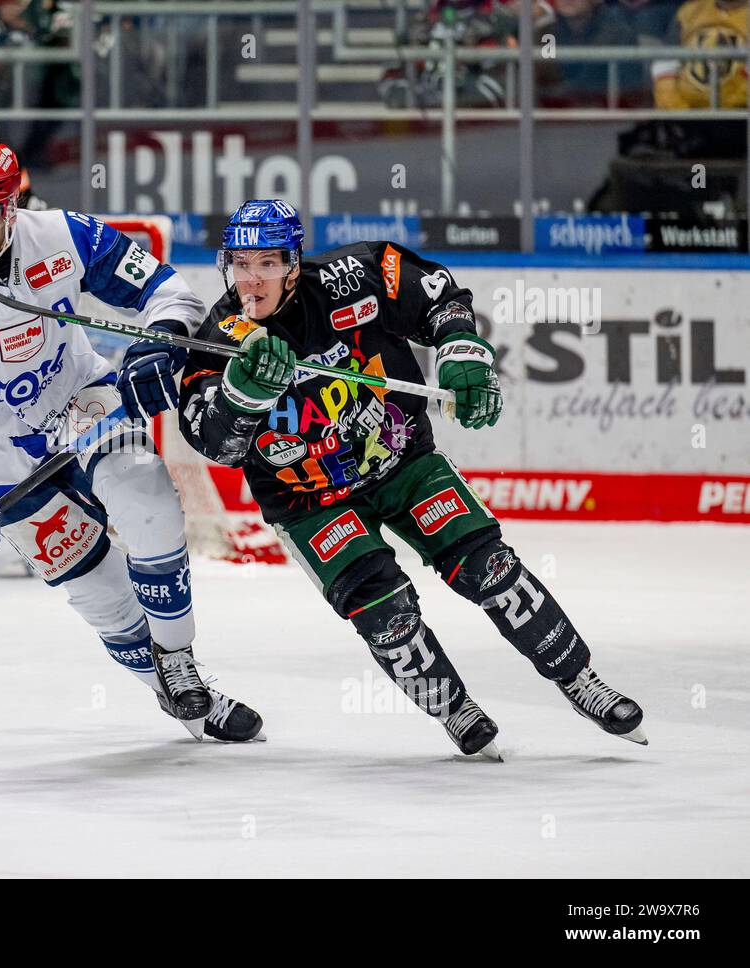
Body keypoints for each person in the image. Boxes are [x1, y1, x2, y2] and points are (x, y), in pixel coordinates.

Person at [176, 199, 646, 757]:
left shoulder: (356, 277)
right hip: (309, 503)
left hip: (403, 462)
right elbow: (212, 441)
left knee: (490, 569)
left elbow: (440, 296)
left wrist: (461, 350)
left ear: (294, 262)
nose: (252, 279)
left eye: (268, 264)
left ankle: (580, 681)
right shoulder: (218, 339)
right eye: (240, 264)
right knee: (385, 614)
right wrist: (242, 394)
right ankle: (454, 710)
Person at [0, 139, 264, 742]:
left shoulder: (66, 235)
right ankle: (188, 700)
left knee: (146, 497)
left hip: (80, 405)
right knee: (104, 599)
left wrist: (160, 339)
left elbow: (173, 294)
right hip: (0, 458)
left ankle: (179, 659)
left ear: (11, 210)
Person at [652, 0, 747, 110]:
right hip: (686, 114)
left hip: (739, 113)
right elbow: (665, 62)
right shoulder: (689, 12)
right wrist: (674, 107)